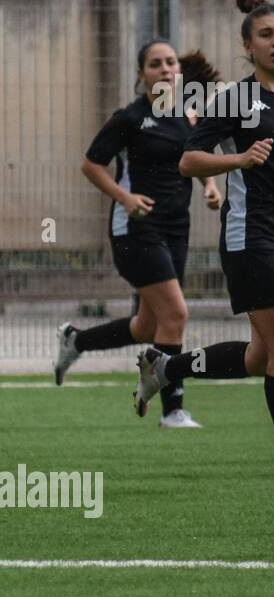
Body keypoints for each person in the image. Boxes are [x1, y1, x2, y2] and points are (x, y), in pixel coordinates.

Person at [132, 0, 274, 479]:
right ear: (248, 46)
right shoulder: (236, 100)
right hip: (251, 238)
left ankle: (165, 369)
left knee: (261, 356)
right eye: (266, 35)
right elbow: (188, 160)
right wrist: (239, 159)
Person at [53, 40, 222, 429]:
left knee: (149, 326)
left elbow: (193, 163)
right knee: (176, 313)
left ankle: (75, 341)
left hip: (176, 228)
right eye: (155, 64)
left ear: (179, 72)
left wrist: (210, 188)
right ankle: (172, 409)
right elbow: (91, 165)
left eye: (170, 63)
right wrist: (125, 198)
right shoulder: (129, 118)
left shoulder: (191, 118)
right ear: (142, 74)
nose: (165, 69)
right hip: (134, 228)